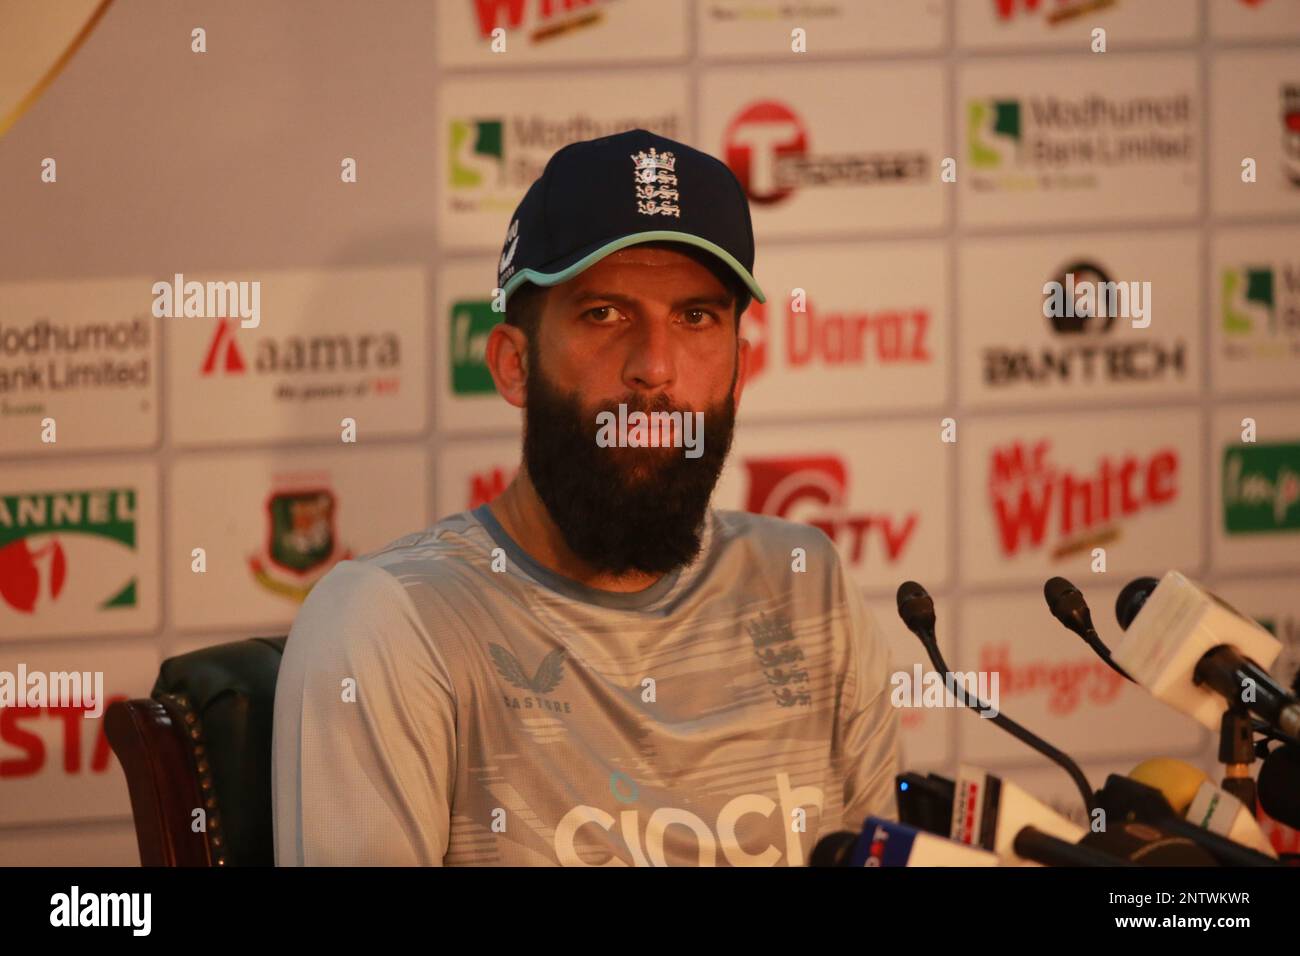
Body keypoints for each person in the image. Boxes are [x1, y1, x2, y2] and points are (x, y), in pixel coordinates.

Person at [272, 128, 899, 866]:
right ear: (513, 364)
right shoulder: (393, 622)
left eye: (696, 317)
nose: (655, 369)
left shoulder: (806, 584)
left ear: (738, 368)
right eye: (604, 313)